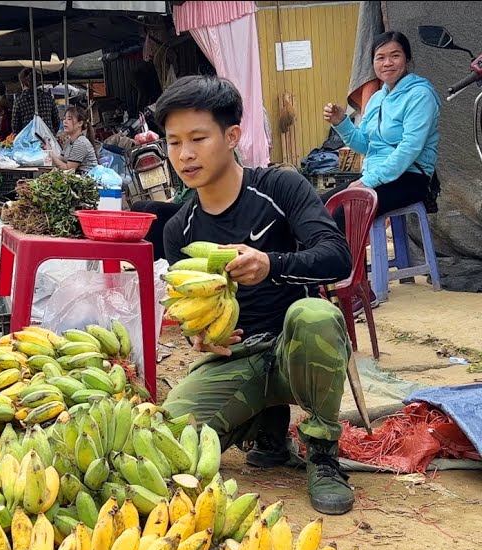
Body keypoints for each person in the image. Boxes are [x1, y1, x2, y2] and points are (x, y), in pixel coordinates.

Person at [155, 75, 355, 516]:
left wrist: (272, 263)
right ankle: (266, 430)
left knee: (313, 313)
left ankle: (322, 453)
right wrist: (200, 339)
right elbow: (194, 313)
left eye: (198, 138)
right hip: (239, 358)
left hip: (296, 354)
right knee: (169, 437)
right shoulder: (179, 231)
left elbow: (339, 259)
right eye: (173, 142)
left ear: (231, 137)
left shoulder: (281, 188)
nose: (185, 155)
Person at [321, 31, 440, 228]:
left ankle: (343, 259)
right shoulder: (377, 98)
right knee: (316, 208)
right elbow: (364, 145)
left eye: (395, 55)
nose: (387, 63)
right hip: (376, 177)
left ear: (407, 58)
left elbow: (409, 149)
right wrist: (341, 122)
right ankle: (316, 258)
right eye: (380, 57)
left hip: (410, 177)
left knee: (342, 212)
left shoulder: (420, 95)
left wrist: (368, 181)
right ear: (373, 63)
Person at [50, 106, 97, 174]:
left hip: (86, 180)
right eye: (64, 119)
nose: (64, 122)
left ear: (80, 123)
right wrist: (48, 149)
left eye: (69, 119)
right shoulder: (69, 141)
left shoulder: (80, 143)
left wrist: (51, 154)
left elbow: (69, 169)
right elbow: (60, 160)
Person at [12, 68, 57, 136]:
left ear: (22, 83)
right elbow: (56, 121)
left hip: (28, 140)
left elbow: (15, 126)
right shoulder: (48, 97)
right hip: (48, 137)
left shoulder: (19, 101)